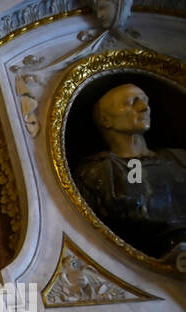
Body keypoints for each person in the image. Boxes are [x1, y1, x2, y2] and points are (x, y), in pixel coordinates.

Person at [76, 83, 186, 262]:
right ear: (106, 120)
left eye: (145, 101)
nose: (144, 108)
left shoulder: (179, 158)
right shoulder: (101, 172)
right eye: (132, 102)